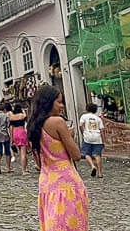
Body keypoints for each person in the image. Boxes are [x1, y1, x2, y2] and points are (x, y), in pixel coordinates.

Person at [29, 85, 88, 231]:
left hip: (47, 182)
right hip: (66, 181)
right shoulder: (58, 122)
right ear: (49, 102)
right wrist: (70, 136)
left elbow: (38, 160)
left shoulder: (33, 126)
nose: (62, 106)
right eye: (59, 102)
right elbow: (76, 155)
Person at [78, 102, 104, 178]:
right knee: (97, 155)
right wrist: (103, 140)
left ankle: (92, 166)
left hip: (87, 137)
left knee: (87, 154)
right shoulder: (98, 118)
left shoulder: (84, 116)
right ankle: (100, 173)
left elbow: (81, 125)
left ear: (87, 109)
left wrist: (83, 133)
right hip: (97, 137)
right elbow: (102, 130)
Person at [8, 102, 28, 174]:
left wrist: (12, 138)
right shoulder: (22, 115)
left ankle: (23, 167)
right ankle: (24, 170)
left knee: (20, 151)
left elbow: (11, 127)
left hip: (15, 132)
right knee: (23, 152)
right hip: (21, 131)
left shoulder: (12, 117)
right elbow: (26, 117)